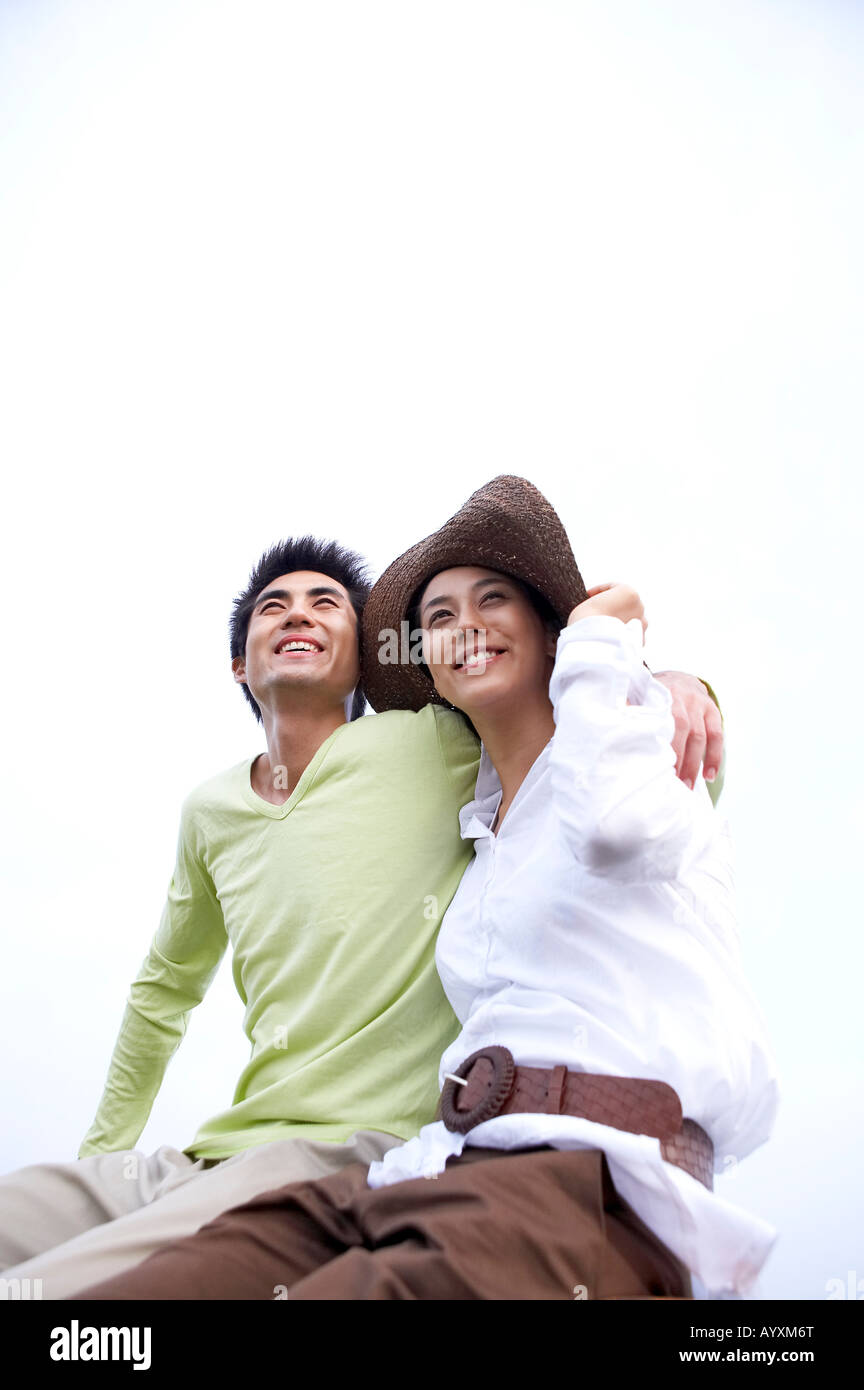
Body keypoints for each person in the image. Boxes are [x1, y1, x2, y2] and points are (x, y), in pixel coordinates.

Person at [75, 476, 776, 1302]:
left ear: (550, 634)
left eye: (492, 601)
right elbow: (163, 990)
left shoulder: (629, 753)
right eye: (437, 619)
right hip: (433, 1165)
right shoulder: (477, 840)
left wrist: (632, 658)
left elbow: (622, 823)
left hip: (587, 1176)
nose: (463, 627)